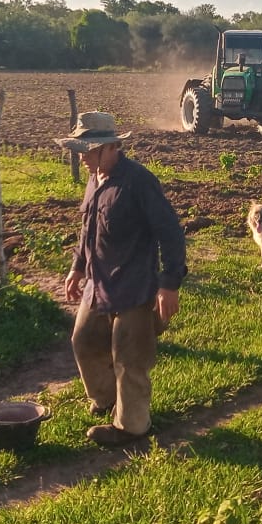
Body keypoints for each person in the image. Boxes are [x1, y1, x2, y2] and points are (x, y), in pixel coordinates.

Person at [55, 111, 188, 447]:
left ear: (113, 147)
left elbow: (171, 233)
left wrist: (169, 283)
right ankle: (105, 399)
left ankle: (132, 426)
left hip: (134, 286)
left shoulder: (138, 182)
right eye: (80, 149)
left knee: (130, 358)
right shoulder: (95, 179)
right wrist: (77, 267)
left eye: (89, 149)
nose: (82, 157)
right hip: (98, 282)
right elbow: (88, 229)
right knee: (84, 340)